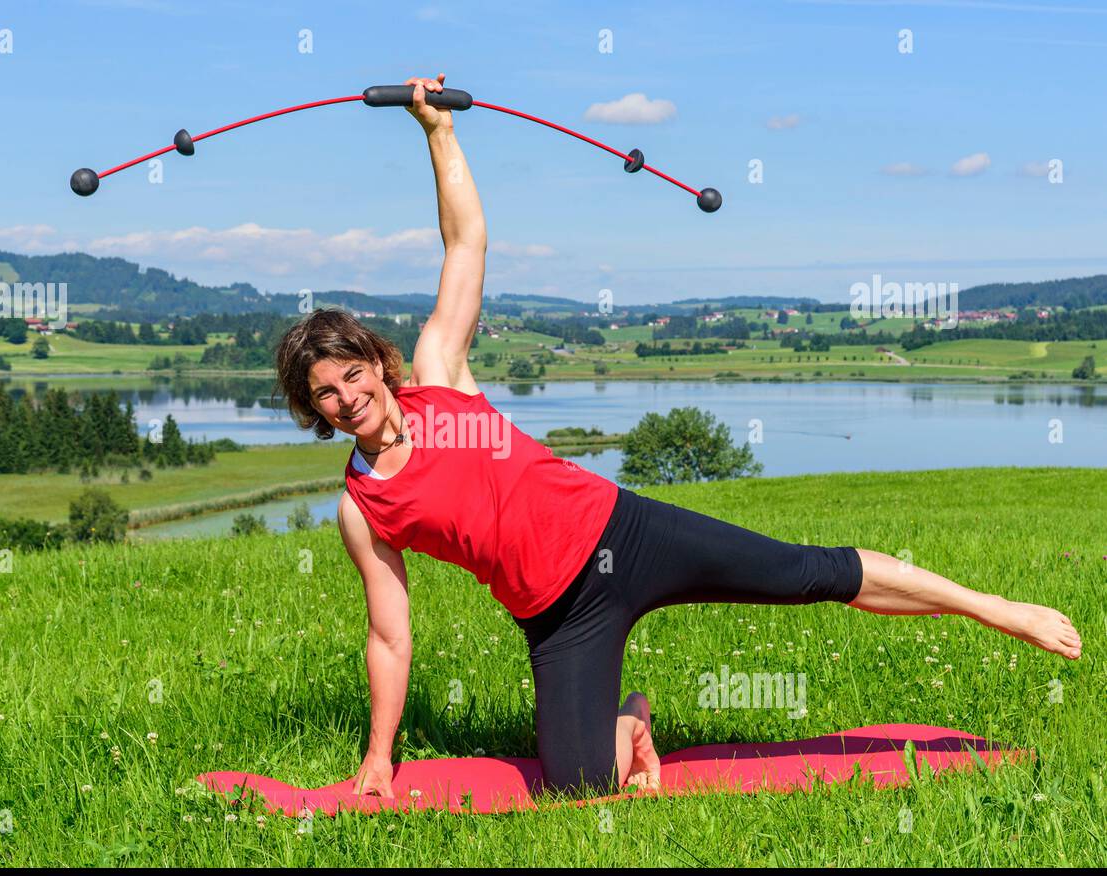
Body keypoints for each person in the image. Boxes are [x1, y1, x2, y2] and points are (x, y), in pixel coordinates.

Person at [271, 73, 1084, 802]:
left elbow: (466, 244)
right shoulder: (363, 506)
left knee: (808, 572)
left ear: (374, 363)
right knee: (579, 785)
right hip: (558, 617)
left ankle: (997, 609)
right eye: (325, 396)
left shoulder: (439, 373)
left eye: (351, 375)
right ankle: (630, 719)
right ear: (316, 412)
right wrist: (380, 755)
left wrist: (439, 133)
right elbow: (390, 631)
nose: (347, 399)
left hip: (625, 531)